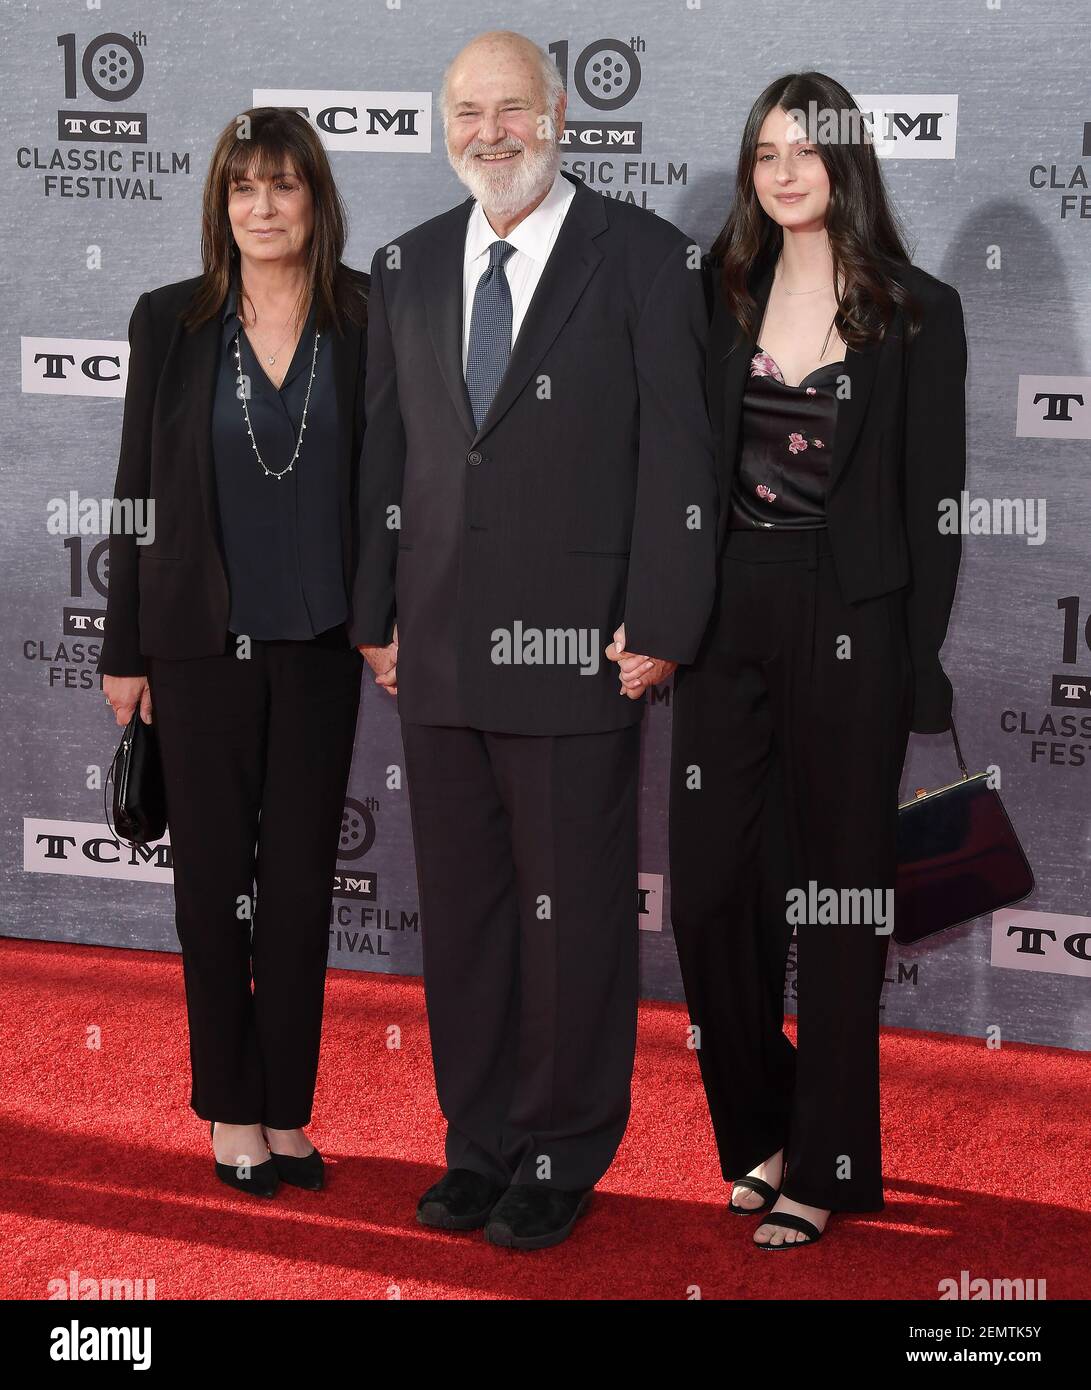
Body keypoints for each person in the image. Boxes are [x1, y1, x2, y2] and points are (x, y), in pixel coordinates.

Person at [350, 30, 718, 1249]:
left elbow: (678, 452)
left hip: (577, 652)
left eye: (512, 108)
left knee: (571, 919)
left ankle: (560, 1149)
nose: (490, 132)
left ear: (557, 115)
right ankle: (480, 1143)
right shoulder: (401, 266)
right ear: (441, 123)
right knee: (465, 919)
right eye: (467, 111)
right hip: (436, 654)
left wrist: (660, 616)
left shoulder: (646, 259)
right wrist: (374, 616)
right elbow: (383, 460)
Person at [667, 72, 967, 1248]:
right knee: (706, 896)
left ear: (848, 163)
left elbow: (935, 503)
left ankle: (830, 1162)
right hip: (726, 615)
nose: (785, 171)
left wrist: (916, 657)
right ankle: (764, 1128)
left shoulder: (914, 309)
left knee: (839, 902)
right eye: (765, 153)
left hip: (854, 625)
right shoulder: (715, 292)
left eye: (807, 150)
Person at [99, 108, 369, 1199]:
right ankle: (228, 1110)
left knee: (299, 887)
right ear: (220, 203)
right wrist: (126, 647)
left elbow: (393, 485)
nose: (262, 208)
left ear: (315, 200)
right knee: (215, 887)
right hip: (197, 645)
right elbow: (136, 490)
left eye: (283, 186)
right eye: (242, 188)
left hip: (319, 644)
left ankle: (285, 1109)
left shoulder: (366, 316)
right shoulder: (169, 320)